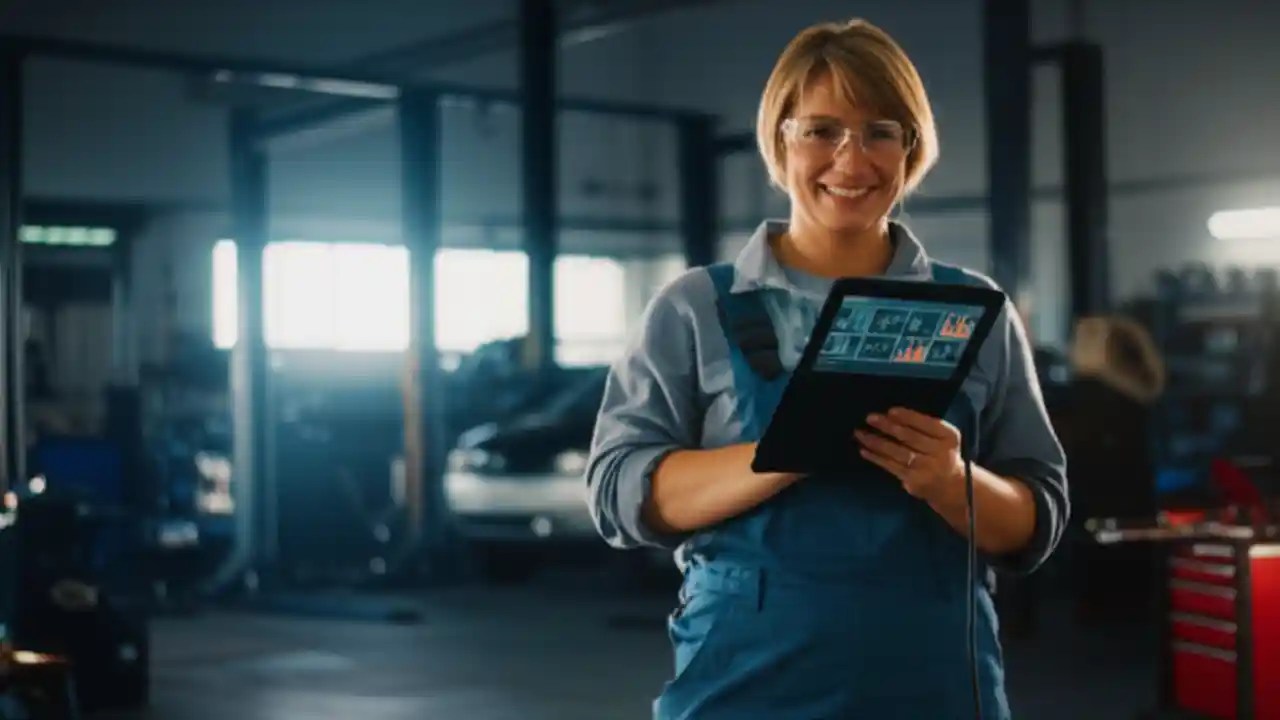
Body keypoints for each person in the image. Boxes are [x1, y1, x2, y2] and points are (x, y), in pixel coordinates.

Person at [585, 17, 1068, 719]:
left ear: (911, 149)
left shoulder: (974, 309)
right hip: (743, 684)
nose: (852, 160)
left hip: (933, 683)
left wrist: (951, 481)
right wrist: (783, 452)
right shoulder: (696, 308)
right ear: (779, 140)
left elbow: (1038, 517)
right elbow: (616, 493)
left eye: (880, 131)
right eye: (820, 130)